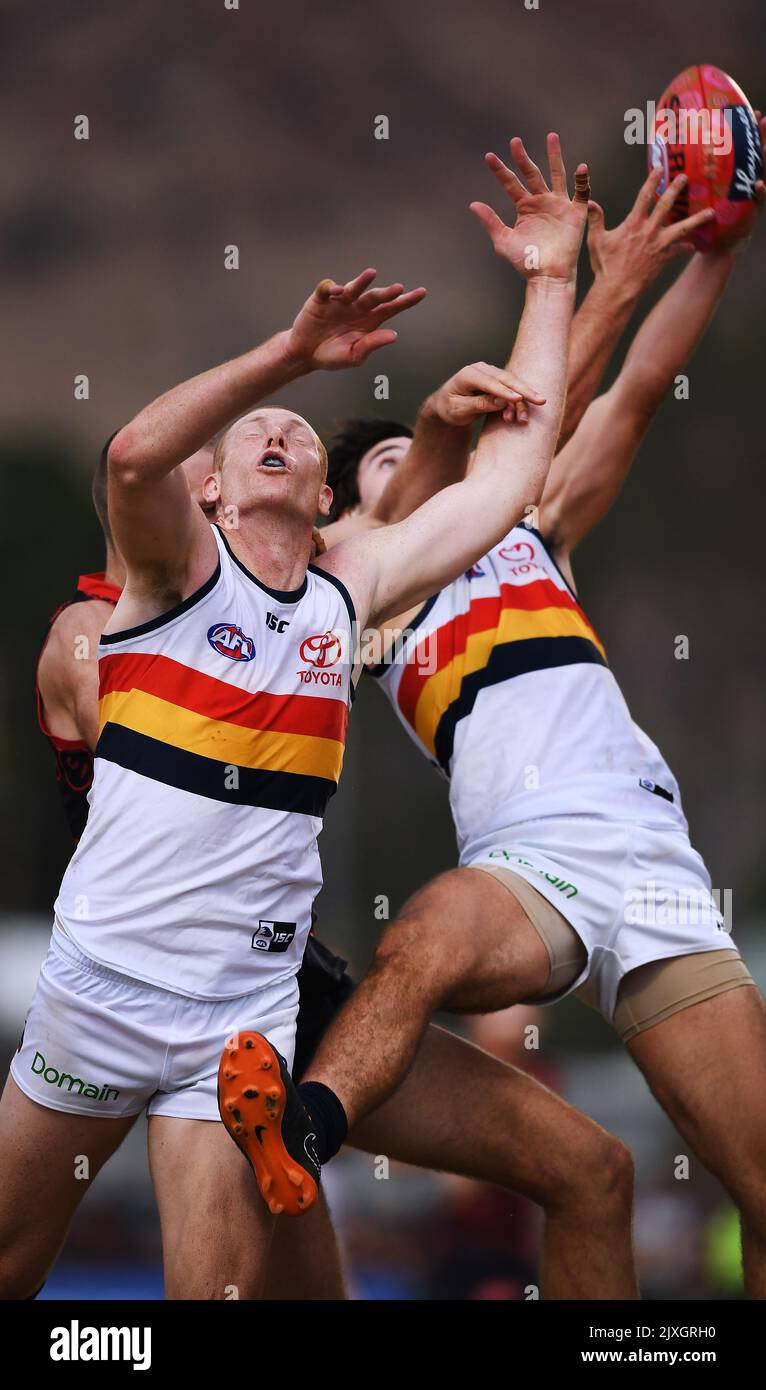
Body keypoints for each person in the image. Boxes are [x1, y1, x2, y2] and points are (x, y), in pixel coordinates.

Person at [0, 133, 594, 1300]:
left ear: (326, 497)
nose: (276, 434)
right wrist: (290, 354)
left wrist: (551, 277)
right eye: (249, 437)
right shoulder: (169, 574)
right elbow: (131, 454)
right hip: (101, 988)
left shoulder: (349, 588)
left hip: (239, 1026)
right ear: (209, 489)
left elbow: (505, 480)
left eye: (299, 439)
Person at [239, 130, 766, 1300]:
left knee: (756, 1182)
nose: (393, 473)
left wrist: (718, 247)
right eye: (368, 470)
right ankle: (305, 1131)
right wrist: (427, 426)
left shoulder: (529, 531)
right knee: (418, 943)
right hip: (529, 860)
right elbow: (459, 464)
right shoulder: (362, 581)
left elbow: (619, 392)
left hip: (649, 854)